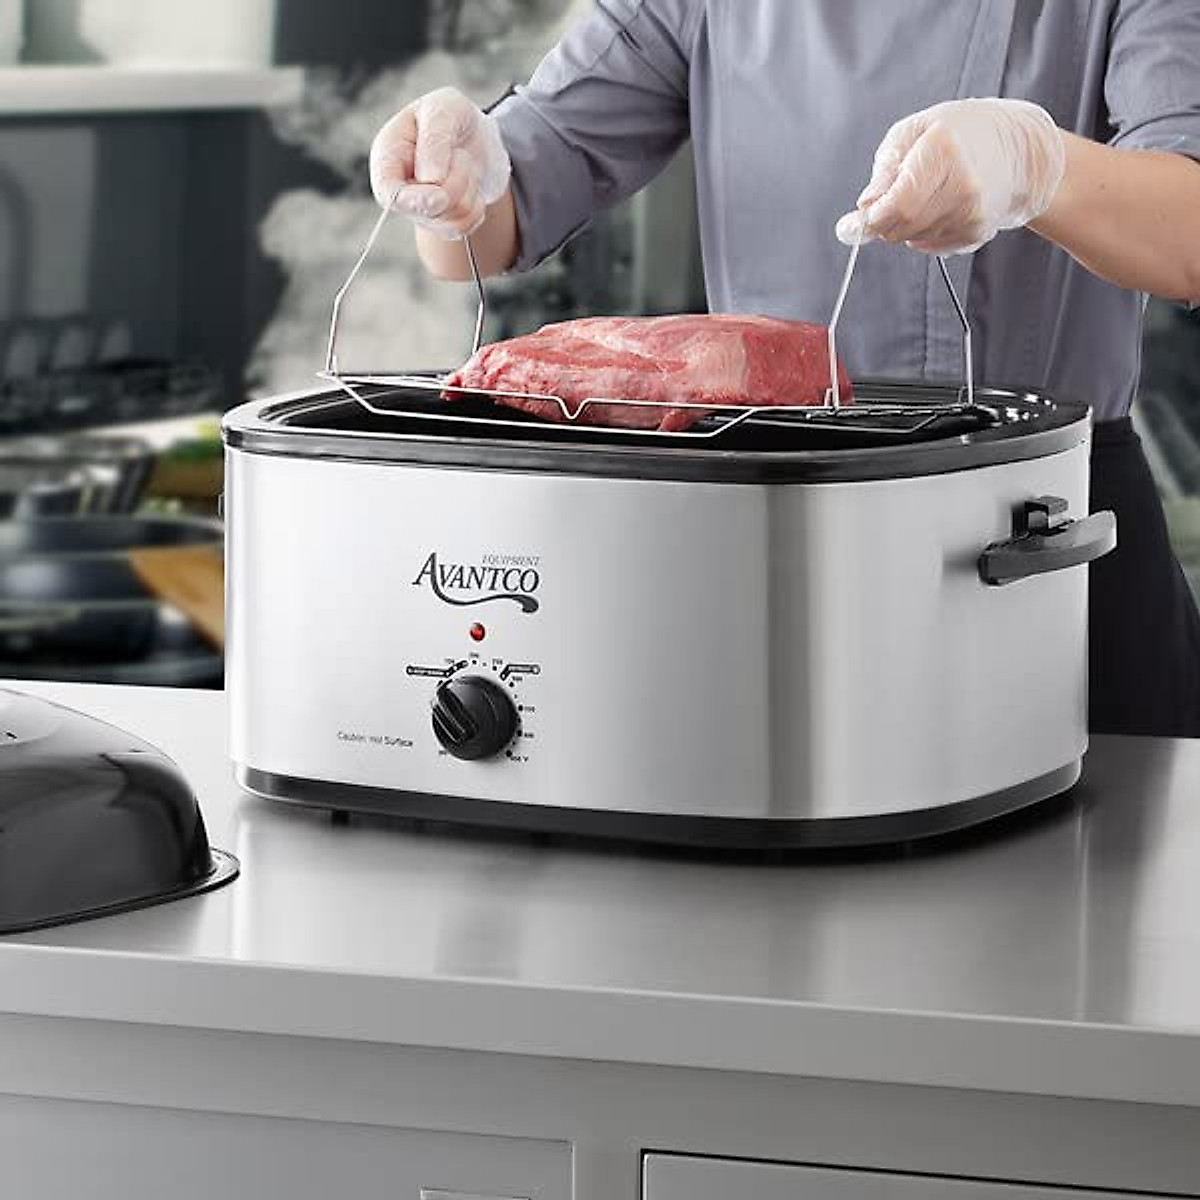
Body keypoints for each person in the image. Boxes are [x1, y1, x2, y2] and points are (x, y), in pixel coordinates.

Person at [369, 1, 1200, 737]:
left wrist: (1037, 165)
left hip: (1047, 534)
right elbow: (485, 231)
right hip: (769, 534)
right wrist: (451, 174)